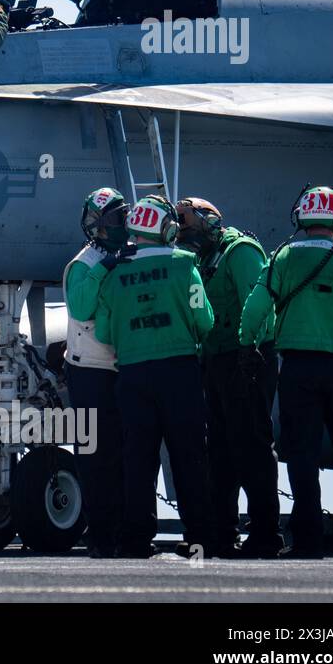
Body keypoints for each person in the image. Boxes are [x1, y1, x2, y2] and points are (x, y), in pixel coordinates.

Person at [240, 186, 333, 559]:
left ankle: (307, 542)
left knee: (302, 455)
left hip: (299, 374)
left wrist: (248, 345)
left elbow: (255, 308)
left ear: (300, 218)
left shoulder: (283, 257)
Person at [94, 194, 215, 558]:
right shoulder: (185, 266)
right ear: (166, 228)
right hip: (179, 371)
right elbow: (205, 320)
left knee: (138, 460)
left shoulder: (115, 274)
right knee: (190, 457)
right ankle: (199, 537)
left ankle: (135, 540)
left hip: (132, 374)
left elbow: (103, 332)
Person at [176, 197, 283, 559]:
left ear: (209, 223)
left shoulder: (240, 252)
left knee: (252, 444)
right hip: (218, 362)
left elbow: (261, 303)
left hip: (249, 358)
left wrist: (247, 351)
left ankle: (267, 533)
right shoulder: (201, 260)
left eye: (189, 226)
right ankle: (221, 532)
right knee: (219, 451)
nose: (184, 235)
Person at [62, 187, 129, 558]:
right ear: (101, 224)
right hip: (89, 374)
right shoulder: (84, 265)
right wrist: (105, 269)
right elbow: (82, 308)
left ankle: (123, 531)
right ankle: (101, 535)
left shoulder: (123, 255)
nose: (125, 224)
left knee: (122, 454)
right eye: (118, 218)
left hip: (119, 370)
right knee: (93, 456)